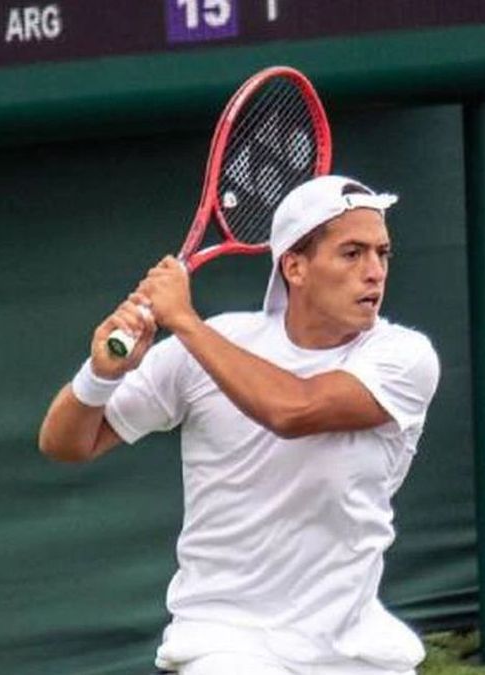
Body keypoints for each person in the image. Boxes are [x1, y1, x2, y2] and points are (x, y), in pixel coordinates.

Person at [37, 175, 441, 675]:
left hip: (353, 646)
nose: (375, 272)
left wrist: (184, 320)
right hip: (227, 644)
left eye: (383, 253)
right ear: (294, 266)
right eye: (352, 254)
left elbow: (292, 411)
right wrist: (100, 374)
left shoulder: (403, 356)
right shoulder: (213, 346)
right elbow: (66, 443)